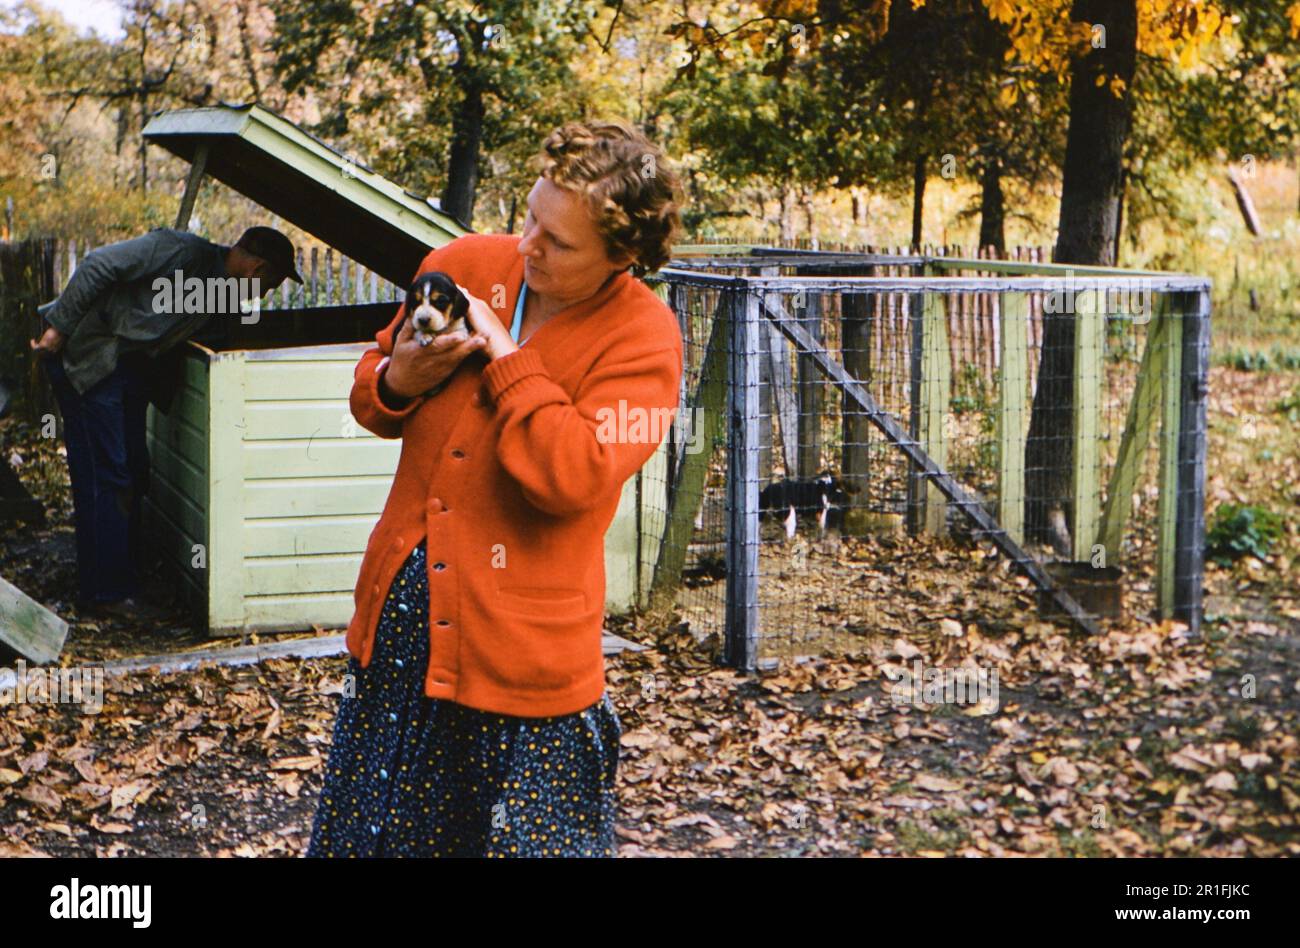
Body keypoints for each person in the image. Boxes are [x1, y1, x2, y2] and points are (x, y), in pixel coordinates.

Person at [306, 119, 685, 857]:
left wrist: (508, 359)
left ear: (623, 257)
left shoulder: (644, 338)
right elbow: (371, 390)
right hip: (401, 638)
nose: (527, 246)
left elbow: (571, 476)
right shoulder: (462, 265)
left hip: (525, 663)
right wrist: (397, 379)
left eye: (558, 242)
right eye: (530, 217)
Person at [29, 225, 302, 621]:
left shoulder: (222, 292)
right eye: (269, 285)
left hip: (122, 367)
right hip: (87, 356)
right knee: (107, 476)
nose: (263, 295)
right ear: (256, 268)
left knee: (134, 471)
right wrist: (58, 328)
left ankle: (122, 579)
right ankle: (104, 592)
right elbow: (97, 264)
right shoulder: (180, 251)